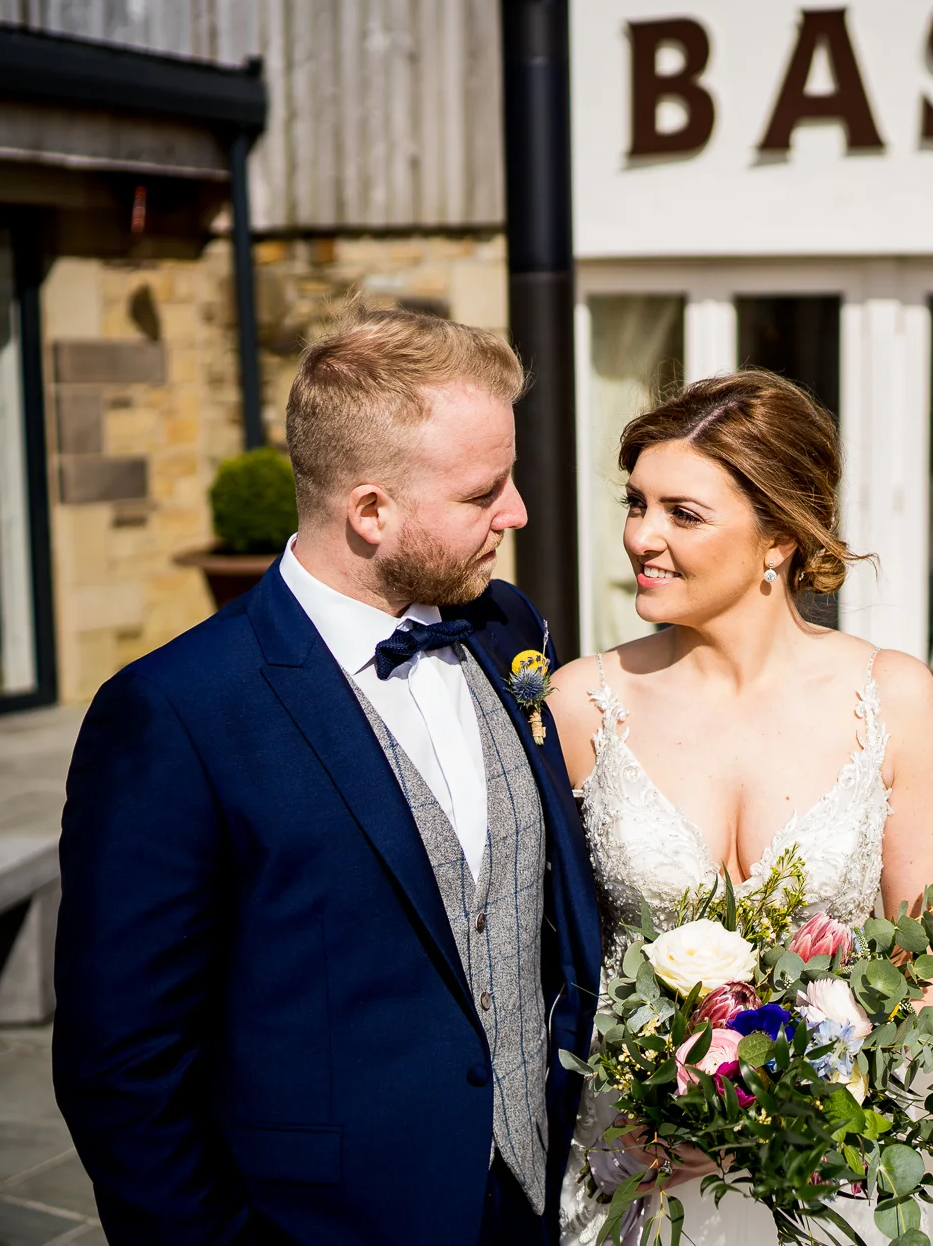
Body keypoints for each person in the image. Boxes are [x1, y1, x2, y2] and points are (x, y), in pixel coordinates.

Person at [54, 307, 602, 1244]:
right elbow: (123, 1064)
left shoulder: (505, 625)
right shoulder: (175, 712)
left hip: (542, 1198)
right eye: (483, 492)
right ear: (370, 512)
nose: (515, 511)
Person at [547, 370, 933, 1245]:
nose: (641, 536)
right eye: (637, 503)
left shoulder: (893, 696)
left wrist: (805, 1103)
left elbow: (927, 950)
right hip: (632, 1163)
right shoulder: (581, 703)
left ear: (778, 535)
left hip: (814, 1170)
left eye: (682, 513)